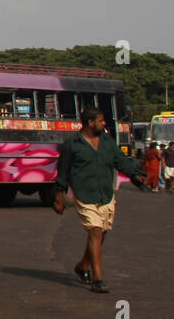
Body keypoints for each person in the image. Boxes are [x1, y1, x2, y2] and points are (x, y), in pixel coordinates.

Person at [53, 106, 144, 294]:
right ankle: (98, 279)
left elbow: (120, 160)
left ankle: (82, 265)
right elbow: (63, 171)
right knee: (95, 231)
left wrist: (135, 176)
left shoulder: (107, 142)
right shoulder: (72, 144)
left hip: (105, 194)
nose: (104, 124)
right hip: (84, 195)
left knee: (101, 233)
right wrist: (58, 195)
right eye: (101, 121)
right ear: (90, 123)